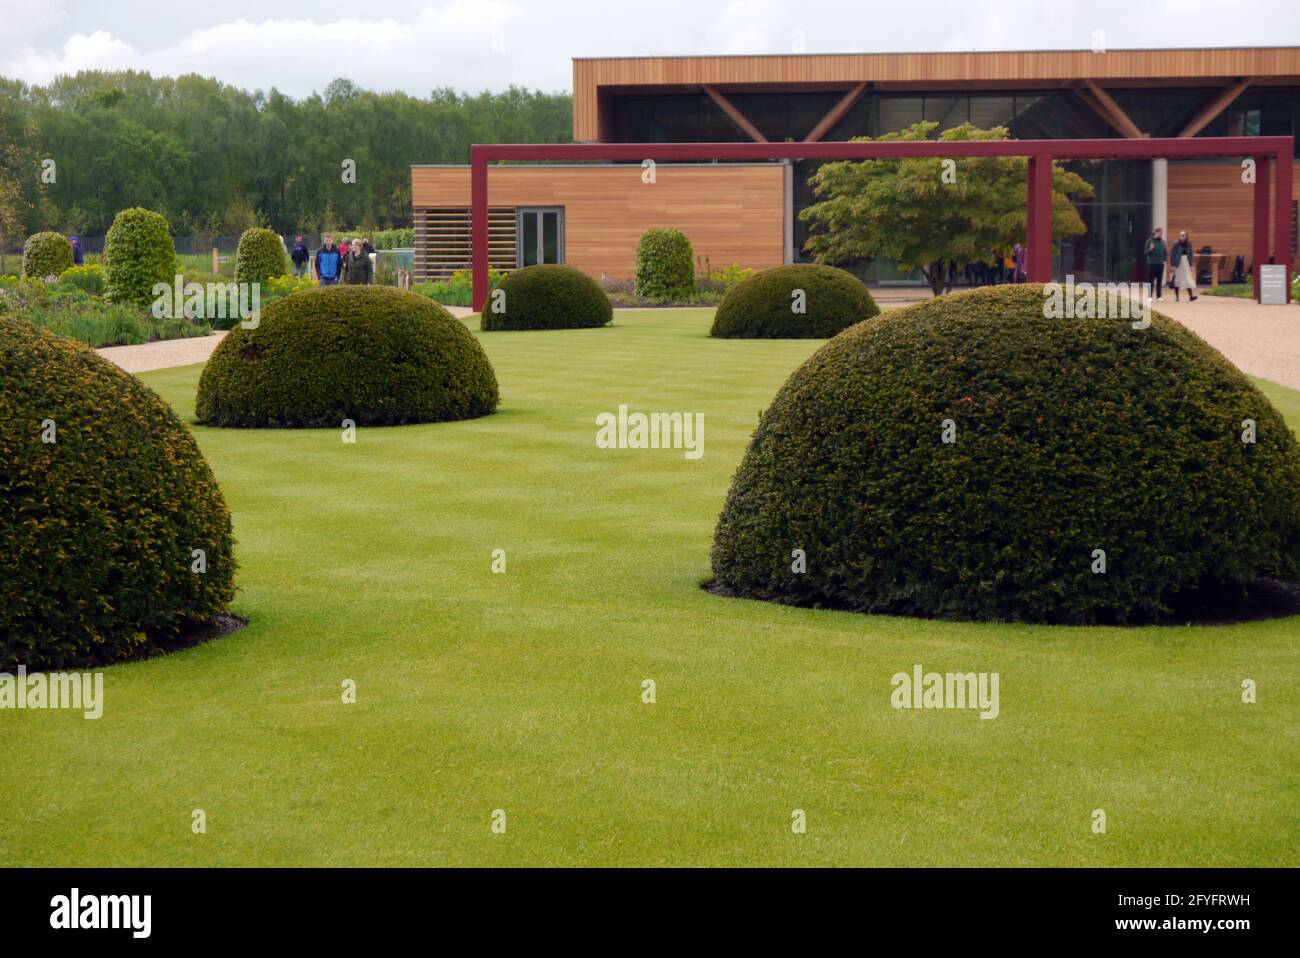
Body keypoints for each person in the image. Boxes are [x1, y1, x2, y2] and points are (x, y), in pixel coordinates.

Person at [1169, 230, 1198, 301]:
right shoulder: (1176, 243)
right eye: (1181, 235)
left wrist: (1191, 264)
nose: (1182, 236)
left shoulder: (1189, 244)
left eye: (1184, 235)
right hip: (1178, 263)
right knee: (1177, 279)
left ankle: (1191, 296)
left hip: (1186, 262)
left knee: (1188, 278)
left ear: (1186, 236)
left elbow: (1191, 254)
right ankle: (1177, 297)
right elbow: (1172, 254)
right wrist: (1172, 265)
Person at [1144, 227, 1168, 300]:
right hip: (1151, 264)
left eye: (1162, 233)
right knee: (1150, 280)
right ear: (1156, 232)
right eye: (1160, 233)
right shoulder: (1150, 241)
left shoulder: (1163, 242)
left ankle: (1159, 296)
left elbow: (1165, 252)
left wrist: (1165, 260)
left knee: (1159, 280)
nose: (1161, 234)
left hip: (1160, 264)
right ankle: (1149, 296)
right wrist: (1150, 249)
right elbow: (1145, 252)